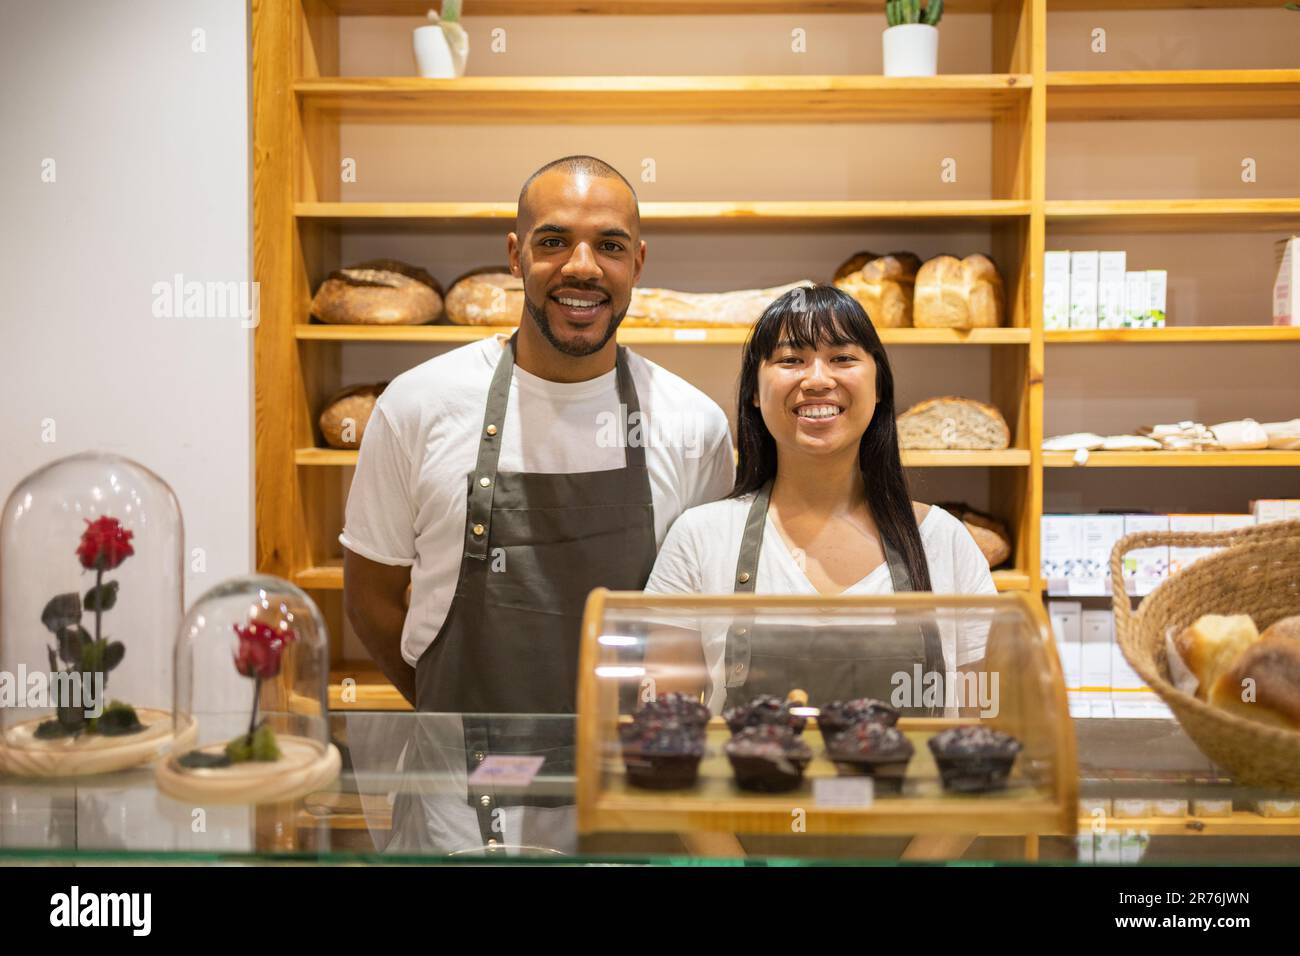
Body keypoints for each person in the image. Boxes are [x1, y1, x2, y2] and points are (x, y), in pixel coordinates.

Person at [340, 154, 734, 715]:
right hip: (459, 793)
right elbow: (368, 599)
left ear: (638, 263)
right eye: (552, 241)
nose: (583, 267)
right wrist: (450, 724)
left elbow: (701, 619)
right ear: (514, 256)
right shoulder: (417, 406)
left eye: (610, 246)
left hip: (634, 780)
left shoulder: (693, 424)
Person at [644, 285, 997, 714]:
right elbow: (662, 723)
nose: (817, 380)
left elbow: (986, 722)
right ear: (754, 393)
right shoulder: (700, 538)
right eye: (791, 360)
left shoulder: (945, 542)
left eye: (843, 358)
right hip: (754, 782)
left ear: (879, 385)